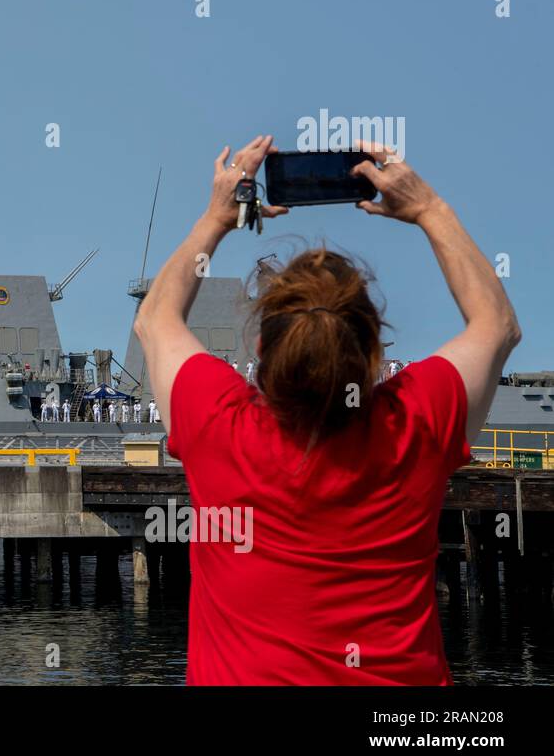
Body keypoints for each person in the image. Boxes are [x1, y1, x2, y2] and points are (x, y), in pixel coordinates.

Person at [132, 136, 520, 686]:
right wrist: (431, 210)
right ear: (373, 353)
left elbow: (155, 320)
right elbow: (497, 325)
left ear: (262, 351)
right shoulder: (417, 419)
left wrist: (216, 218)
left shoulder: (219, 423)